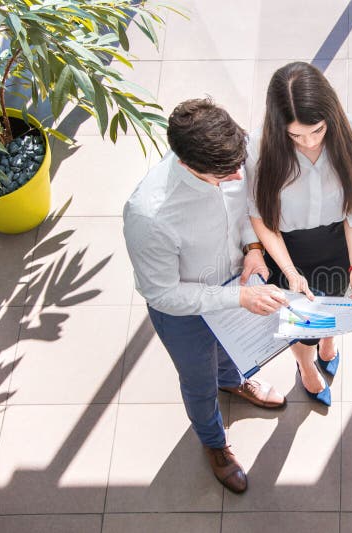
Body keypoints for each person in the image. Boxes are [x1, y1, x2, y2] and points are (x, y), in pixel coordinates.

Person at [123, 98, 289, 494]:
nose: (238, 176)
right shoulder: (149, 216)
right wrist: (237, 300)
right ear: (185, 164)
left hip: (235, 282)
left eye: (239, 166)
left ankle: (233, 381)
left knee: (233, 352)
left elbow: (246, 209)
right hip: (184, 312)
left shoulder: (232, 153)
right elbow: (161, 293)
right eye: (225, 175)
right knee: (198, 380)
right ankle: (214, 443)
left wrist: (252, 249)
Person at [245, 62, 352, 407]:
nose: (308, 143)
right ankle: (306, 366)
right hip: (287, 248)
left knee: (334, 300)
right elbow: (260, 216)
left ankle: (329, 342)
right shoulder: (258, 149)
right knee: (301, 323)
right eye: (296, 136)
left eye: (317, 131)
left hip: (336, 240)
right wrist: (289, 272)